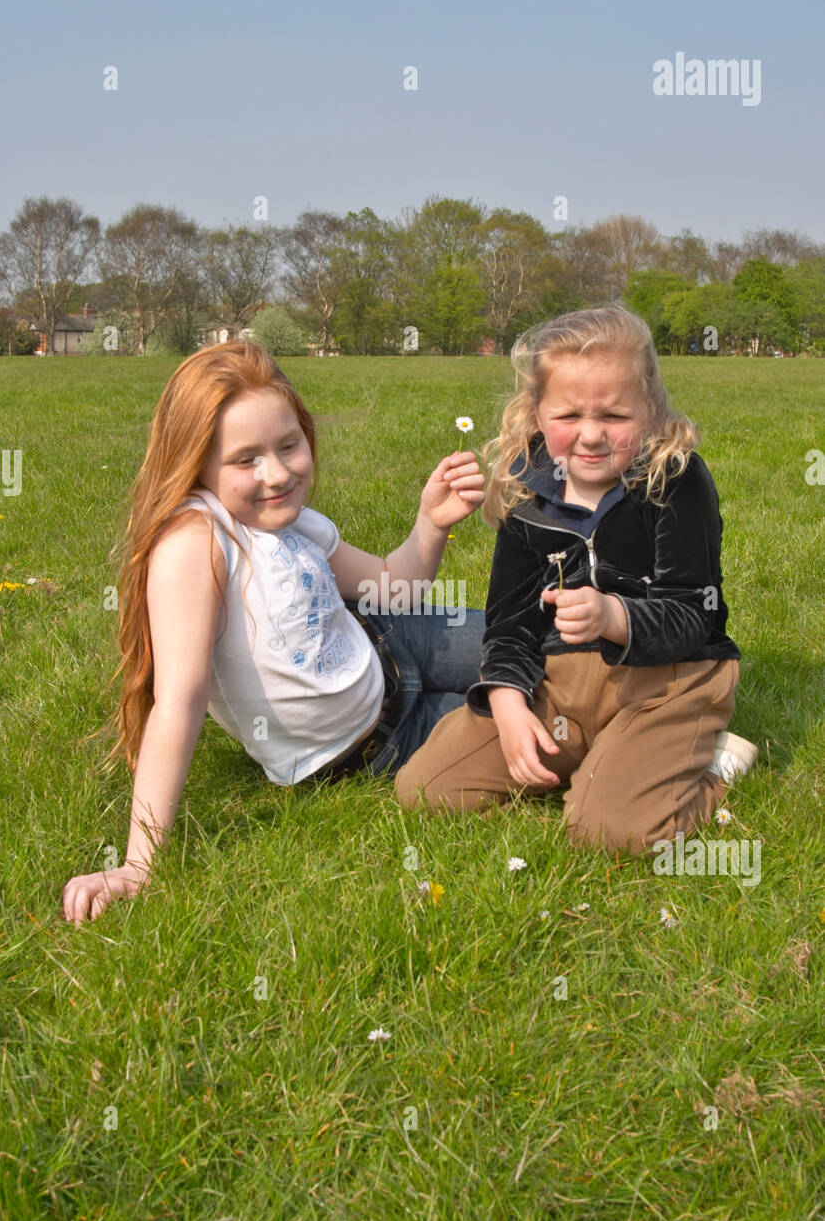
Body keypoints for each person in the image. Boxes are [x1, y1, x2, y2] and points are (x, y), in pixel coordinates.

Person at [62, 341, 485, 925]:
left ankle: (637, 628)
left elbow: (394, 585)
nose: (279, 473)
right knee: (532, 712)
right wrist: (139, 864)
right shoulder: (196, 544)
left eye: (289, 445)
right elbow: (177, 703)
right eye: (245, 459)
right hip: (378, 741)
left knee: (526, 640)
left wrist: (430, 524)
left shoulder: (295, 523)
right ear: (196, 463)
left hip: (393, 639)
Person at [395, 306, 757, 855]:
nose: (591, 436)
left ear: (651, 411)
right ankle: (606, 759)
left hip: (664, 682)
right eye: (568, 415)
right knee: (425, 788)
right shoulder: (525, 490)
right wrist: (510, 706)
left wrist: (614, 616)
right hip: (559, 687)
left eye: (615, 415)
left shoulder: (675, 478)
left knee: (610, 832)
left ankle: (711, 764)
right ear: (536, 413)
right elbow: (508, 624)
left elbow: (694, 612)